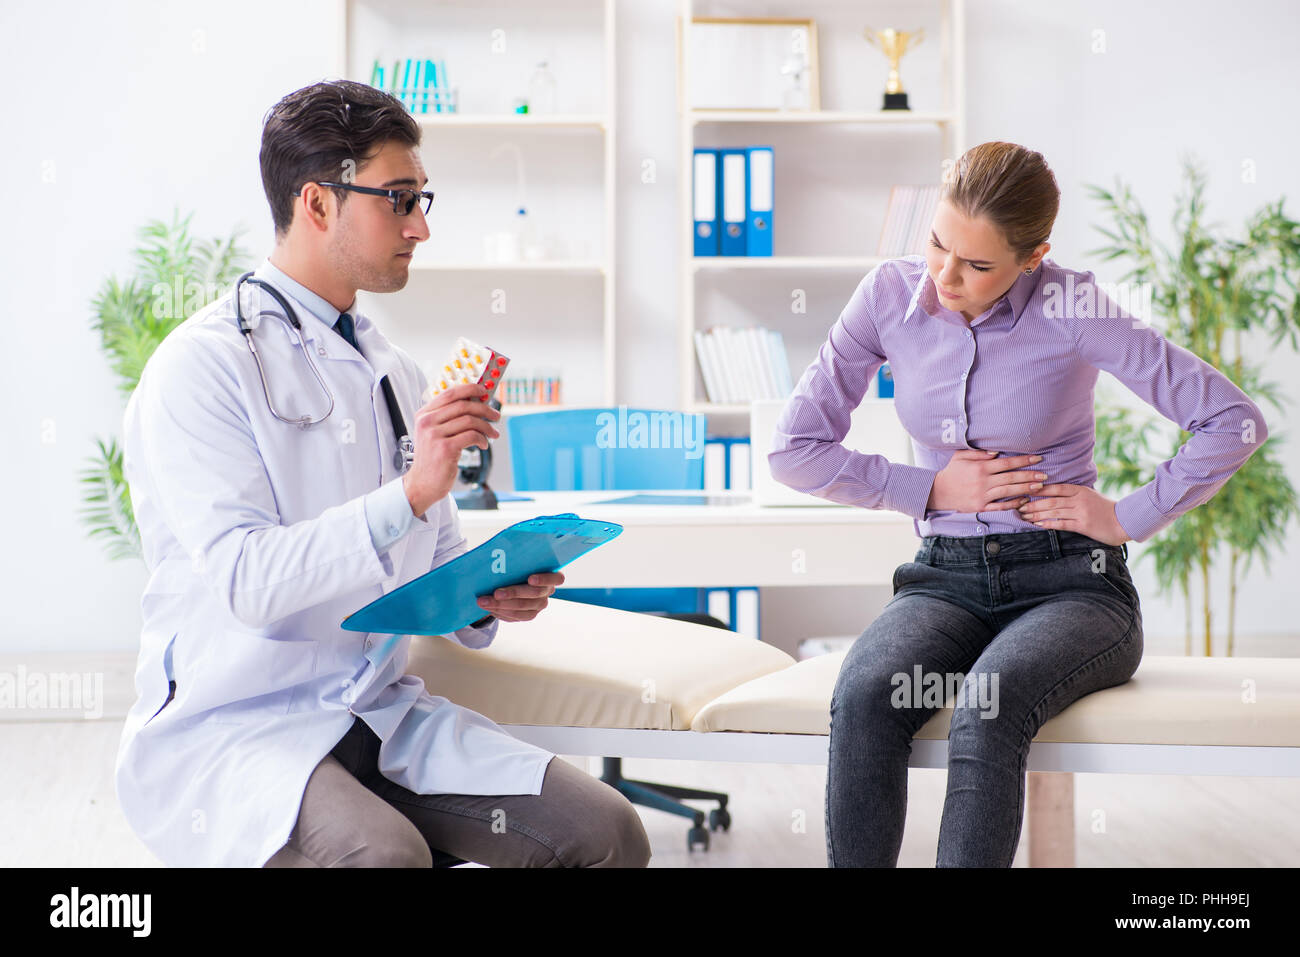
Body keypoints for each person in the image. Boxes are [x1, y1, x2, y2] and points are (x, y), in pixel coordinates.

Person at [114, 79, 651, 868]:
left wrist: (489, 592)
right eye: (399, 200)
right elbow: (248, 583)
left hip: (373, 712)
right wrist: (408, 494)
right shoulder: (199, 369)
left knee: (608, 835)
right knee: (385, 857)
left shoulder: (394, 372)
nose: (422, 226)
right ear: (319, 203)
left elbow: (427, 566)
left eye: (421, 198)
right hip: (240, 723)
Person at [768, 141, 1269, 867]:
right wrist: (929, 489)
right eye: (939, 244)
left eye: (976, 266)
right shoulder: (887, 295)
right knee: (868, 694)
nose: (945, 276)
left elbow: (1234, 420)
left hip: (1070, 586)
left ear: (1032, 258)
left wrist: (1126, 515)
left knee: (985, 710)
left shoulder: (1073, 305)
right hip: (944, 577)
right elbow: (794, 447)